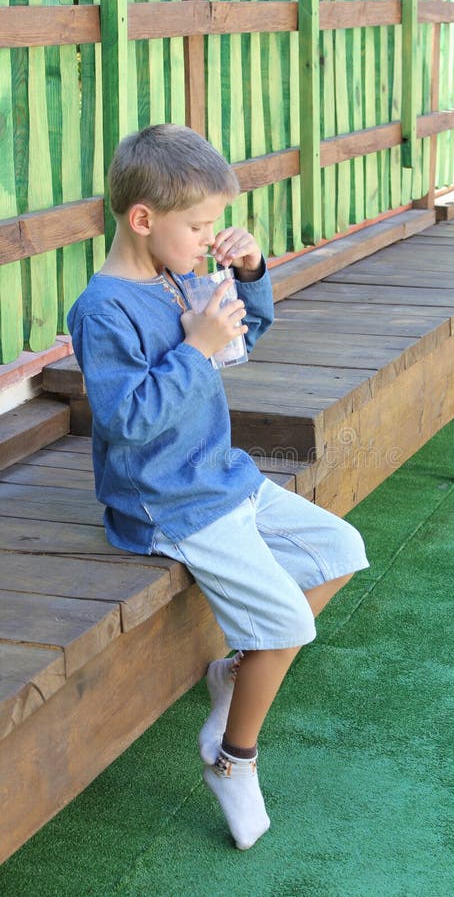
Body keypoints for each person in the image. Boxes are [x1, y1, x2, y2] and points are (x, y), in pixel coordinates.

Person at [67, 123, 369, 851]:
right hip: (166, 504)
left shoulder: (177, 276)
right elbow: (125, 419)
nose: (210, 237)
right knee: (291, 625)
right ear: (143, 220)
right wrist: (194, 350)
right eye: (198, 224)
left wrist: (252, 271)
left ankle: (235, 670)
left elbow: (243, 336)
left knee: (341, 548)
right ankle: (232, 760)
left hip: (225, 478)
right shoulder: (103, 309)